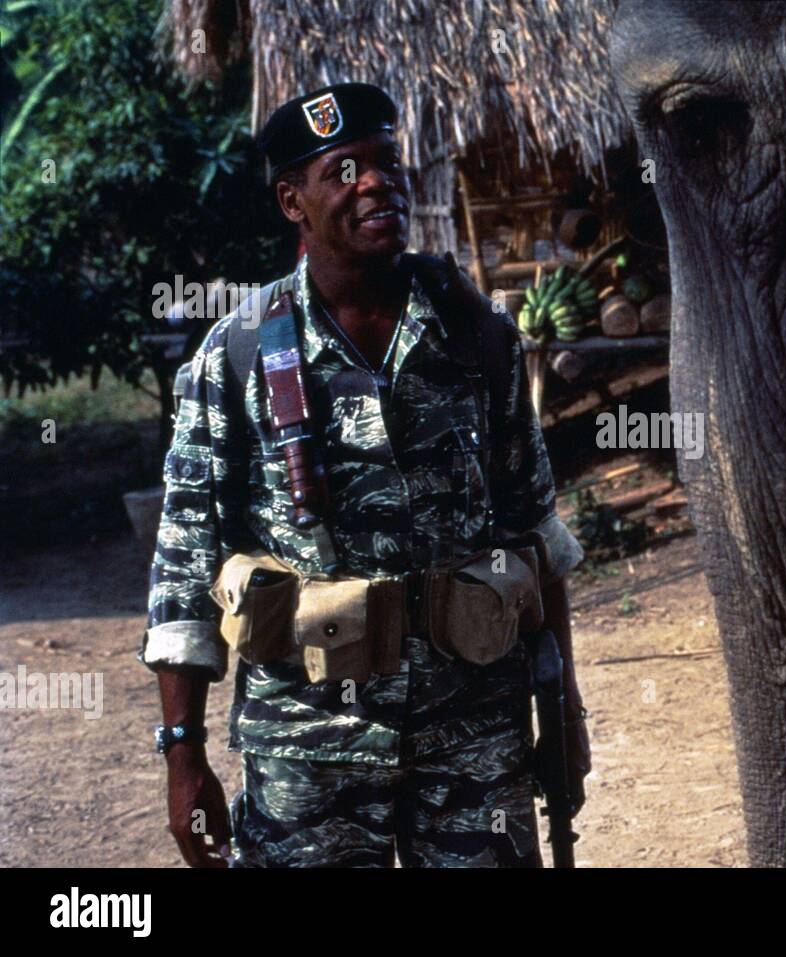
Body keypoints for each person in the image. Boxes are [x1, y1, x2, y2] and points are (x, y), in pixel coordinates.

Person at [140, 83, 590, 867]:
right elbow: (184, 571)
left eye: (385, 162)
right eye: (343, 170)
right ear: (293, 202)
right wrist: (184, 756)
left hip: (474, 741)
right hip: (307, 750)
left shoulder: (475, 334)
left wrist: (566, 709)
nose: (376, 182)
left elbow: (534, 535)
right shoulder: (235, 356)